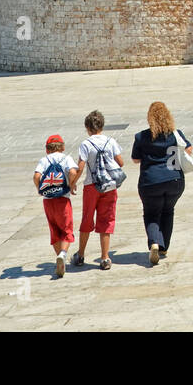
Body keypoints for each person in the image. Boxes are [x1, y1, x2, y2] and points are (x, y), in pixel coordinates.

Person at [131, 101, 192, 266]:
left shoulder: (141, 137)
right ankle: (164, 247)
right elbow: (188, 149)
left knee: (151, 213)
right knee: (168, 211)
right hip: (175, 180)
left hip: (150, 182)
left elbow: (135, 159)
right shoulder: (175, 134)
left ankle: (154, 243)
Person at [72, 110, 124, 271]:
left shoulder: (86, 144)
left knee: (87, 219)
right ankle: (105, 257)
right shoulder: (111, 141)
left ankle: (80, 254)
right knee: (107, 219)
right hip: (109, 185)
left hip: (91, 185)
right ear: (102, 125)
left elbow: (80, 166)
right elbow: (120, 162)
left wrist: (72, 182)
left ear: (87, 127)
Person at [33, 134, 80, 278]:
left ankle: (60, 258)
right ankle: (63, 255)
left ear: (47, 149)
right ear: (63, 147)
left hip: (48, 201)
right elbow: (73, 171)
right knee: (66, 229)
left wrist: (40, 189)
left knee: (54, 230)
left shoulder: (44, 160)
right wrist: (71, 185)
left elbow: (36, 176)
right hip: (62, 199)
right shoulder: (66, 158)